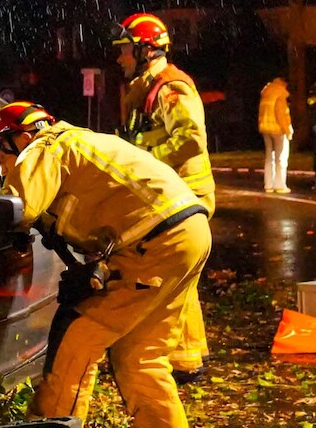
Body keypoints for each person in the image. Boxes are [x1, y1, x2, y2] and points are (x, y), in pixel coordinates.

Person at [0, 102, 211, 428]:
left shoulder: (42, 148)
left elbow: (21, 207)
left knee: (77, 335)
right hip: (184, 234)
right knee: (140, 353)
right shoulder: (81, 146)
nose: (2, 168)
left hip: (154, 243)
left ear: (19, 137)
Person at [113, 12, 213, 384]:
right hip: (172, 194)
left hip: (187, 194)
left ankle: (185, 362)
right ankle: (188, 355)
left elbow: (190, 140)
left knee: (174, 275)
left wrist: (144, 163)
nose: (120, 58)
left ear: (146, 50)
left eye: (125, 50)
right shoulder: (145, 85)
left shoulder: (171, 87)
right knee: (179, 277)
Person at [259, 77, 293, 194]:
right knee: (281, 158)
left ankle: (268, 185)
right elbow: (281, 114)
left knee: (269, 157)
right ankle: (280, 185)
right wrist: (287, 130)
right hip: (277, 129)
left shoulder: (266, 92)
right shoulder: (280, 93)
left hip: (265, 128)